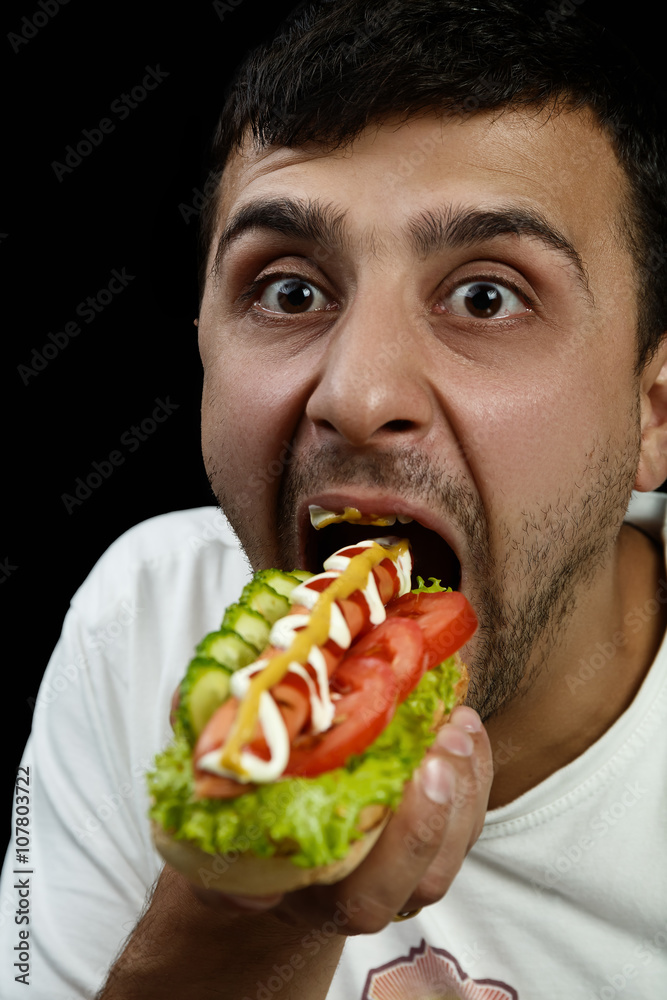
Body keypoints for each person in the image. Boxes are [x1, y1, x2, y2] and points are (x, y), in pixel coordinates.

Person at [3, 0, 667, 996]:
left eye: (486, 295)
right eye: (290, 291)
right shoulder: (134, 619)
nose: (357, 397)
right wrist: (236, 936)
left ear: (653, 412)